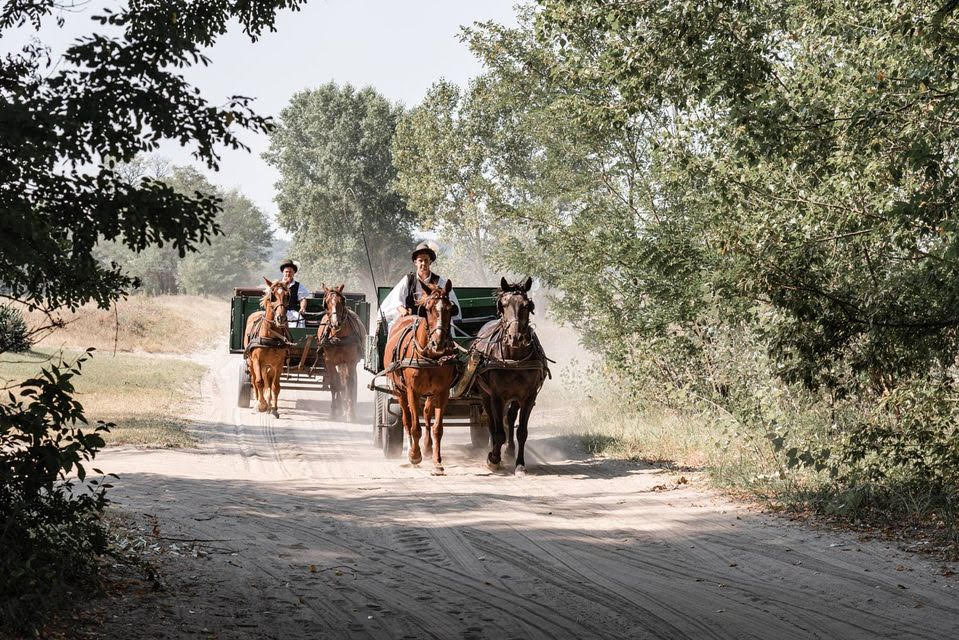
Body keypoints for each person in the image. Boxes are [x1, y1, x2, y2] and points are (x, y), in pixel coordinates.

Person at [379, 241, 461, 332]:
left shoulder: (440, 282)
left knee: (448, 328)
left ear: (430, 262)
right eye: (420, 261)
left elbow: (451, 304)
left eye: (426, 260)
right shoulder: (408, 280)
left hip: (434, 322)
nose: (423, 263)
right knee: (393, 327)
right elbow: (397, 300)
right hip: (411, 322)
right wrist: (402, 309)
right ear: (415, 263)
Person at [277, 258, 310, 328]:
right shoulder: (277, 284)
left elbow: (302, 299)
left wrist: (303, 307)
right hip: (278, 311)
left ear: (293, 273)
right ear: (283, 272)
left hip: (291, 312)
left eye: (290, 272)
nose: (288, 274)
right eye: (286, 272)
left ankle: (297, 338)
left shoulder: (298, 286)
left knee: (300, 320)